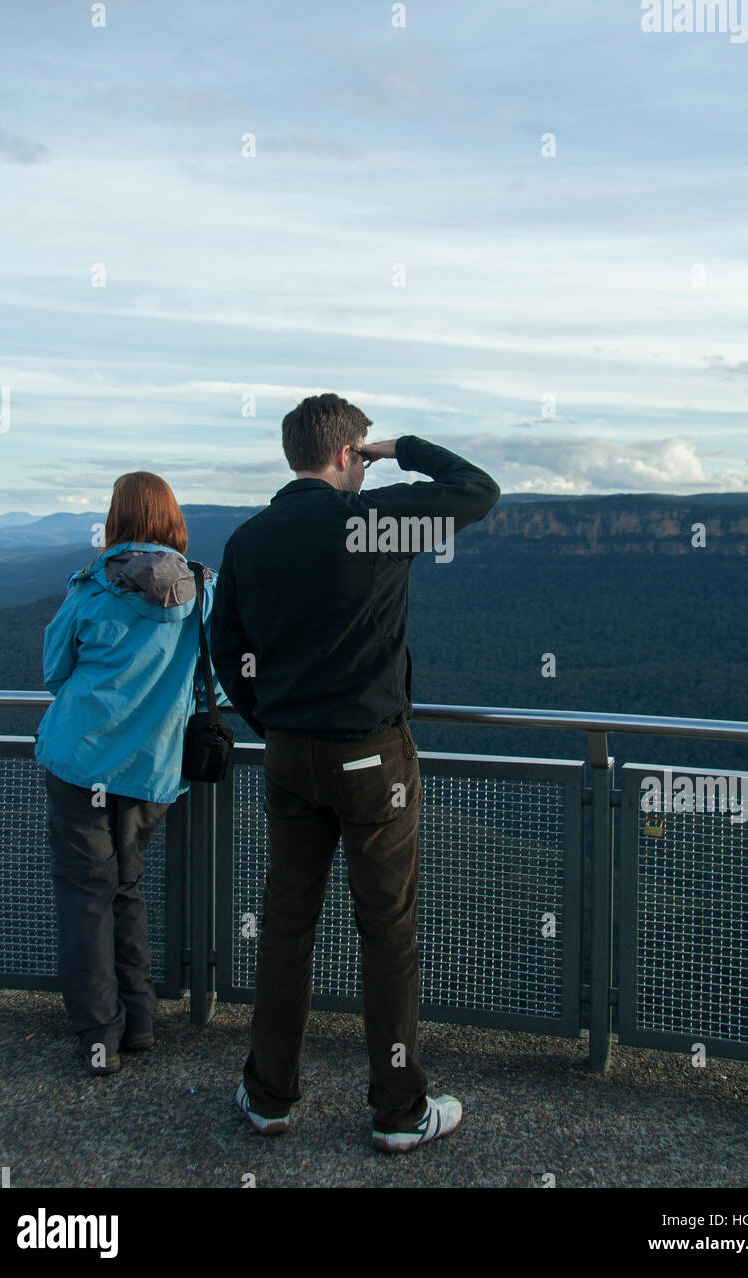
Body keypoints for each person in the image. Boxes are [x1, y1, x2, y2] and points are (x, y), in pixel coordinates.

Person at [210, 393, 500, 1152]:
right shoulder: (377, 520)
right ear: (347, 456)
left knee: (286, 928)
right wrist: (400, 447)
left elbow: (225, 647)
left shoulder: (249, 539)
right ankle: (398, 1111)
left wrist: (269, 718)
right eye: (362, 456)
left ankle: (269, 1096)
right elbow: (478, 490)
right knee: (387, 935)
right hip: (374, 760)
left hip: (288, 755)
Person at [34, 471, 226, 1076]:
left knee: (86, 894)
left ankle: (99, 1035)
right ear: (171, 518)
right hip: (151, 771)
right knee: (126, 887)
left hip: (78, 760)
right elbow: (212, 680)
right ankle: (140, 1023)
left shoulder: (93, 586)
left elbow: (55, 668)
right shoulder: (204, 589)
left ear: (116, 519)